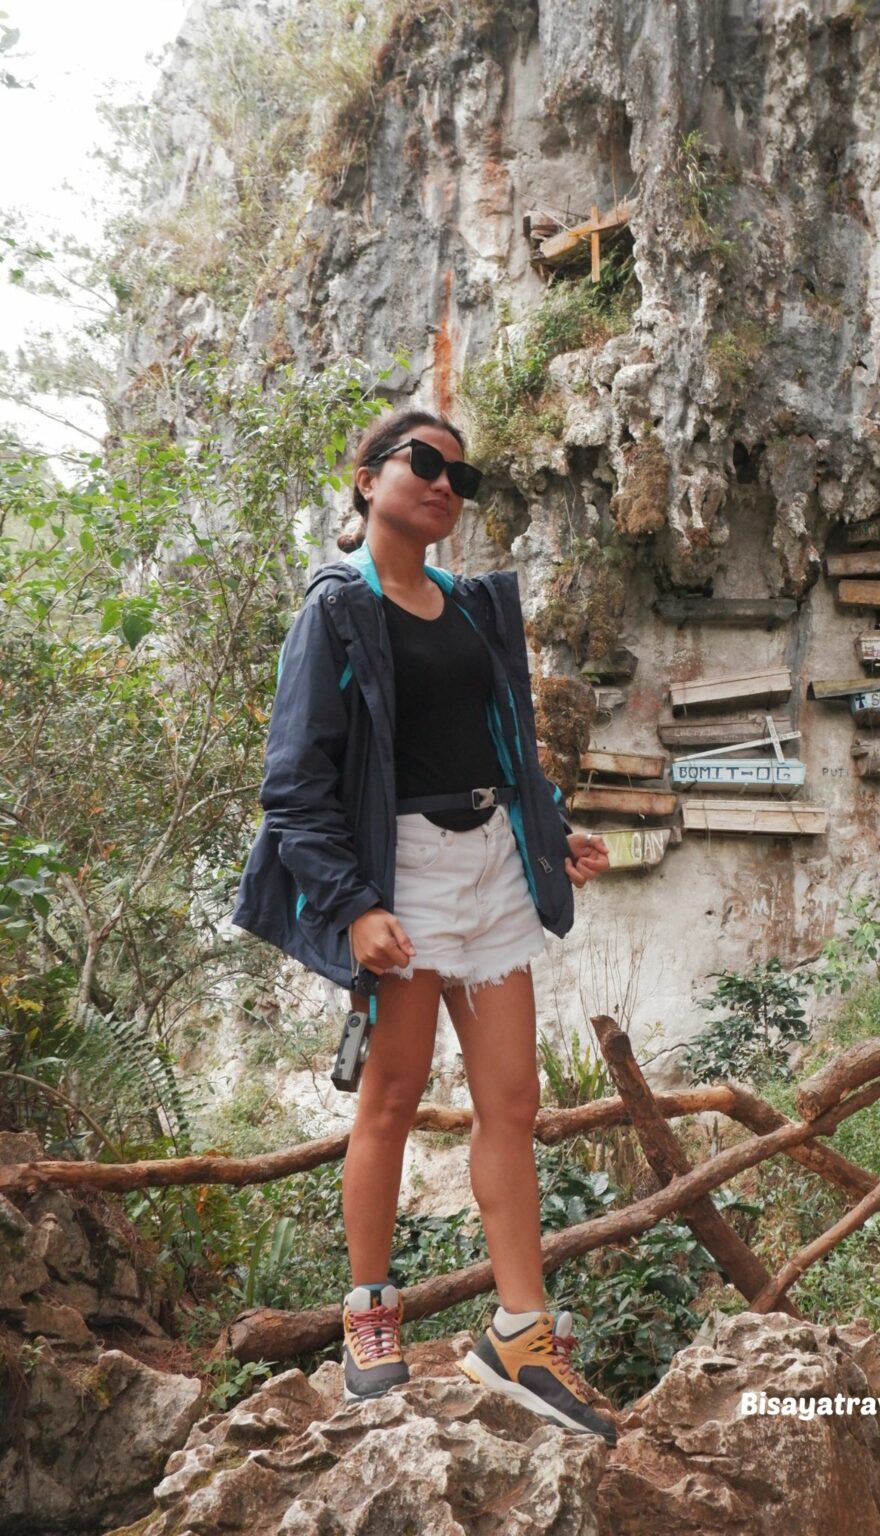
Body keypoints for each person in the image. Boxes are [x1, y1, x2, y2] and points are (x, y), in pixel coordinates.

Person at [232, 409, 616, 1444]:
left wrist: (552, 832)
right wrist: (355, 906)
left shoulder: (471, 606)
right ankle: (369, 1313)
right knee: (393, 1098)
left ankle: (520, 1334)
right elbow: (294, 785)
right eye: (426, 463)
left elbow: (503, 745)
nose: (447, 483)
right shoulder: (337, 610)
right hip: (400, 873)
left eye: (462, 475)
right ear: (367, 479)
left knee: (512, 1103)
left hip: (492, 867)